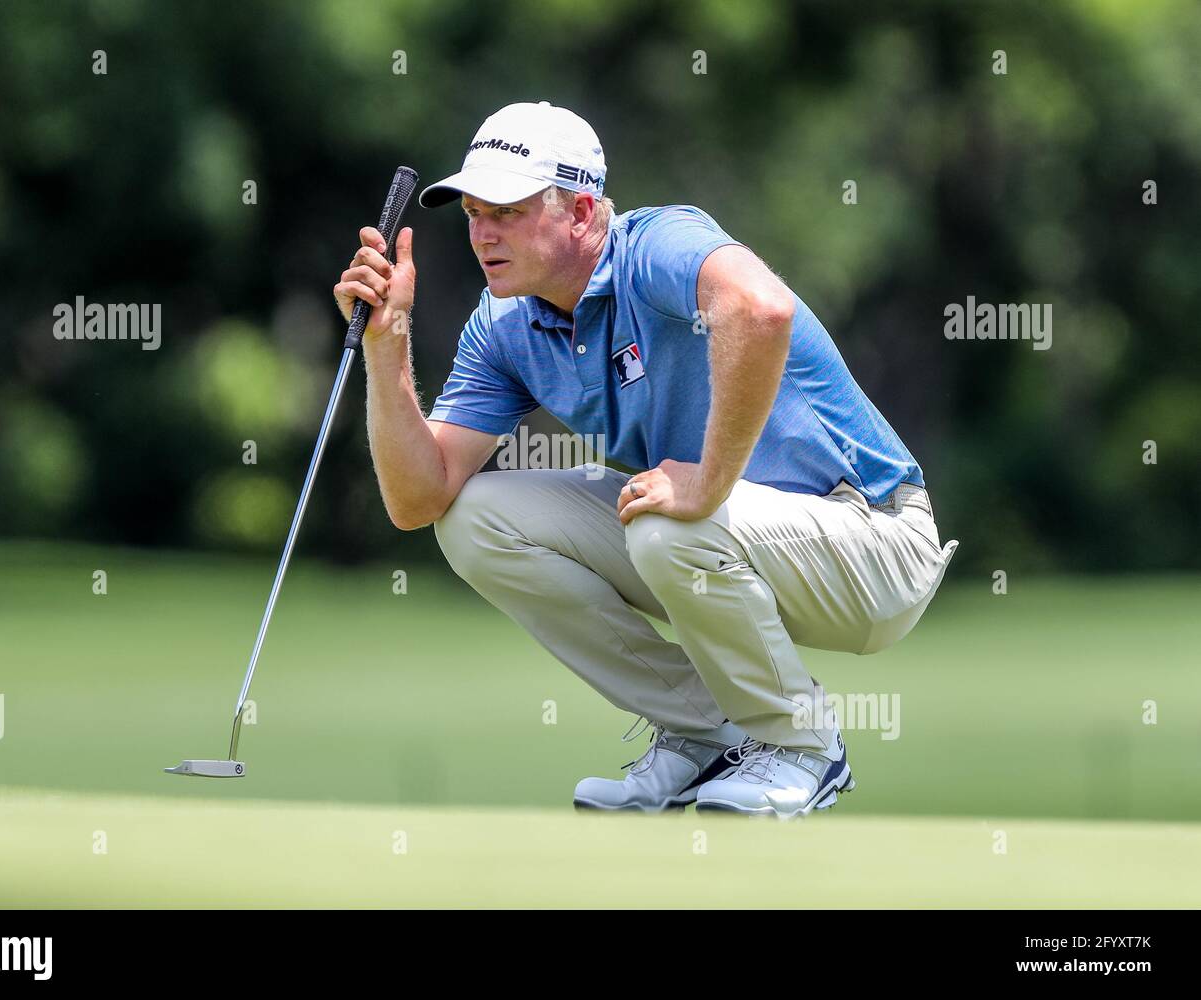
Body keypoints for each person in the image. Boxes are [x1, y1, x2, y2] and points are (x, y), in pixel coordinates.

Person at [334, 101, 958, 818]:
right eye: (474, 212)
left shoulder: (658, 244)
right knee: (474, 518)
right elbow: (419, 499)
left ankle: (802, 745)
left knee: (666, 522)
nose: (481, 233)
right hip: (724, 542)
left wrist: (708, 482)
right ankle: (705, 731)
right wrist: (387, 346)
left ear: (581, 211)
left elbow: (761, 310)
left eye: (506, 210)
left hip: (876, 538)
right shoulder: (505, 324)